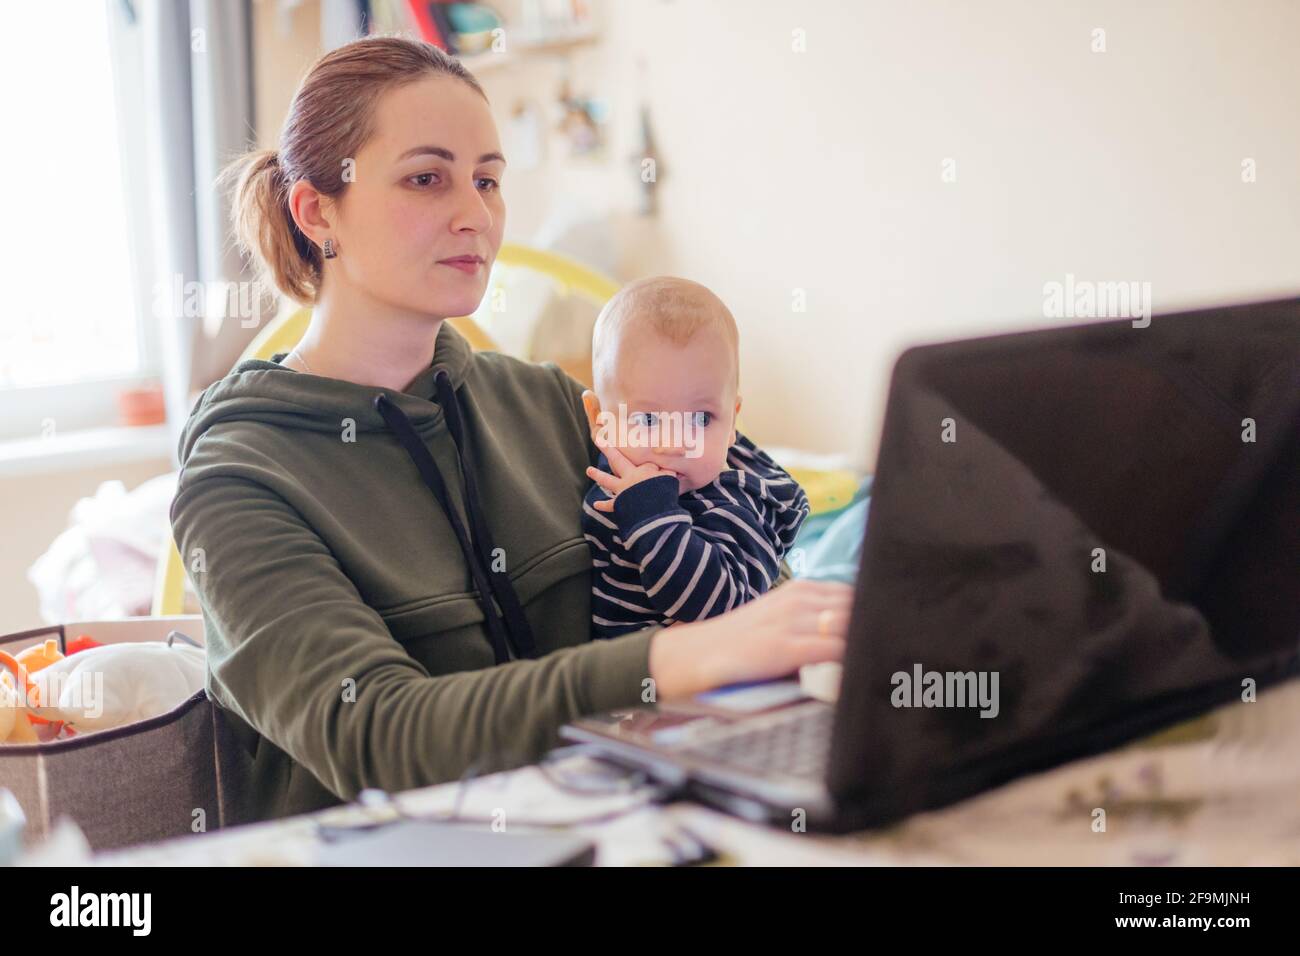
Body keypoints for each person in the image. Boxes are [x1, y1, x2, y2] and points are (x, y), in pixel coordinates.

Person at [171, 35, 850, 824]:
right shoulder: (236, 480)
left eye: (488, 180)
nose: (475, 215)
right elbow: (374, 735)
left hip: (599, 823)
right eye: (427, 179)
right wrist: (676, 659)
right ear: (318, 210)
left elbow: (743, 542)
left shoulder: (552, 406)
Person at [580, 276, 810, 638]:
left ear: (732, 421)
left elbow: (717, 608)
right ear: (599, 420)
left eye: (701, 419)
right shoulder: (612, 468)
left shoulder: (739, 505)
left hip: (712, 687)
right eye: (649, 419)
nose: (675, 444)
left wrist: (652, 515)